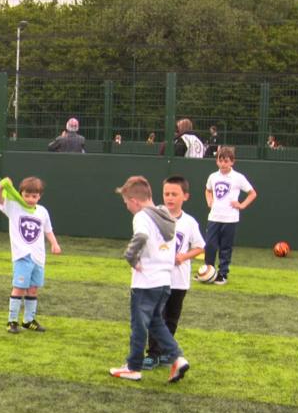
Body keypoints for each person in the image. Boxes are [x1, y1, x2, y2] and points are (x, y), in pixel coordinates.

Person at [109, 175, 189, 383]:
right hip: (164, 280)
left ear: (134, 200)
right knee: (156, 323)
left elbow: (142, 237)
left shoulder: (142, 217)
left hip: (145, 281)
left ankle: (133, 367)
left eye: (126, 202)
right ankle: (177, 357)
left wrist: (130, 257)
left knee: (139, 325)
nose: (126, 206)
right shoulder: (166, 214)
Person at [142, 175, 204, 370]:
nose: (169, 198)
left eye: (174, 194)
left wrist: (183, 257)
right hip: (158, 278)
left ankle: (167, 352)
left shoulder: (189, 222)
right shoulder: (154, 217)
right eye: (166, 194)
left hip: (179, 280)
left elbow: (200, 247)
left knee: (171, 318)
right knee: (156, 315)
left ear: (185, 196)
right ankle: (152, 354)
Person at [0, 176, 61, 333]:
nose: (30, 199)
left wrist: (54, 243)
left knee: (33, 289)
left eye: (34, 196)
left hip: (38, 258)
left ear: (40, 196)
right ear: (20, 193)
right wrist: (1, 186)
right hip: (23, 256)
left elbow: (47, 229)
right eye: (27, 195)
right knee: (19, 288)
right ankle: (12, 321)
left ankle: (29, 320)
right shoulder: (14, 206)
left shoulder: (42, 211)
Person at [203, 146, 257, 285]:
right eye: (220, 161)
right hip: (214, 217)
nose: (223, 164)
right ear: (217, 161)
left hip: (230, 219)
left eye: (226, 161)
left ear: (232, 162)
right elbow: (208, 190)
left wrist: (242, 205)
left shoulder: (238, 177)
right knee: (210, 245)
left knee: (225, 247)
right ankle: (208, 271)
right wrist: (209, 200)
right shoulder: (213, 177)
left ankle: (222, 274)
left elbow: (252, 193)